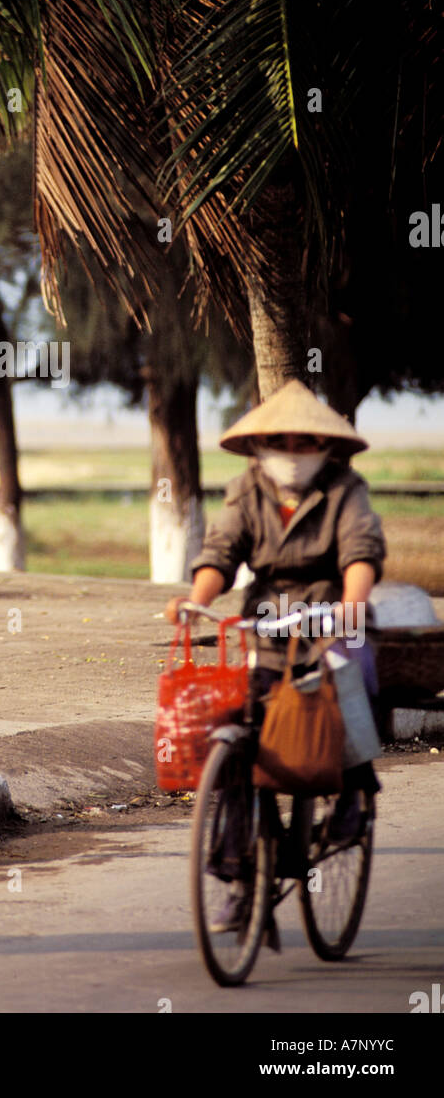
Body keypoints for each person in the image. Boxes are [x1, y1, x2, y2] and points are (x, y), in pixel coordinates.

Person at [165, 379, 386, 932]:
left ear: (324, 446)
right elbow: (221, 552)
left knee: (345, 687)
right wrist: (197, 603)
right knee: (242, 741)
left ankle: (354, 797)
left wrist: (352, 607)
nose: (291, 453)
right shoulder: (246, 491)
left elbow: (360, 554)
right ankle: (242, 881)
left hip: (333, 621)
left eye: (303, 442)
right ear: (262, 446)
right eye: (280, 441)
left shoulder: (345, 489)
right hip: (268, 627)